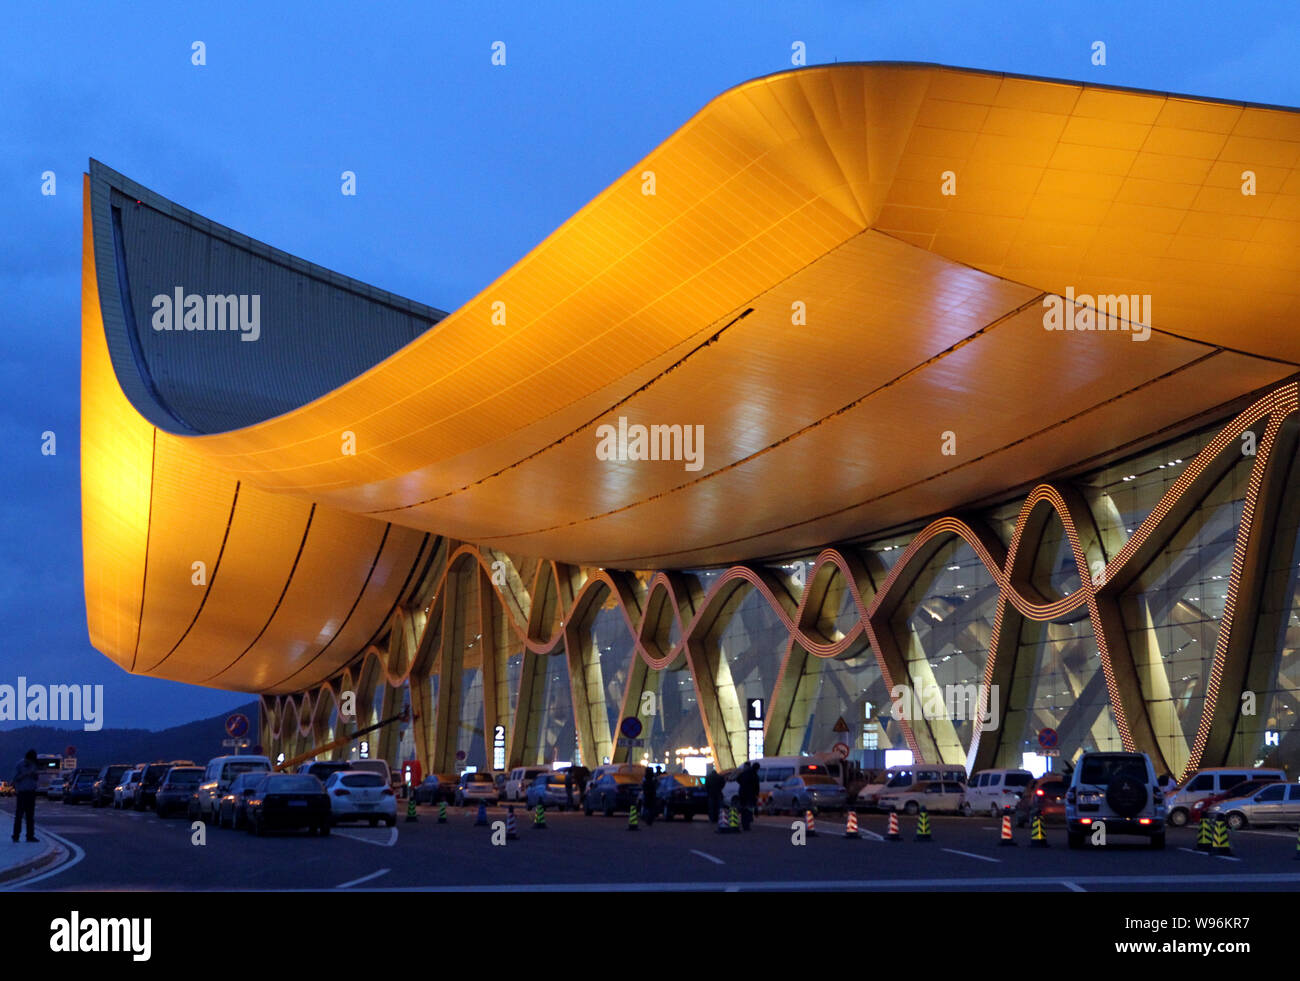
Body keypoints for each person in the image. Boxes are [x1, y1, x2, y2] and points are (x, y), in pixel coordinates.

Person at [11, 750, 40, 843]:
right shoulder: (20, 765)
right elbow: (15, 779)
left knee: (30, 815)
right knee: (19, 815)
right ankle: (16, 835)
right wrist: (26, 774)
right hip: (22, 792)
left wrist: (34, 775)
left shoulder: (34, 765)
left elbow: (36, 778)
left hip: (31, 792)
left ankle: (30, 836)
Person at [738, 761, 760, 831]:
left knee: (744, 809)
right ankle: (747, 825)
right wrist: (756, 794)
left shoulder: (743, 773)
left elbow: (738, 779)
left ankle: (744, 824)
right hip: (750, 795)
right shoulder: (754, 775)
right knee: (749, 809)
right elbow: (757, 786)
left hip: (742, 794)